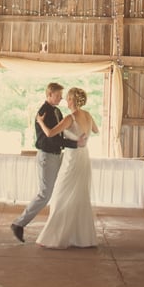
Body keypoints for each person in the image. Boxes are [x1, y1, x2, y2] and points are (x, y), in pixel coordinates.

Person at [35, 87, 99, 249]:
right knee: (79, 195)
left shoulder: (70, 118)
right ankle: (82, 238)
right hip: (84, 157)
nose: (65, 100)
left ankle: (54, 237)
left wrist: (40, 121)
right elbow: (96, 130)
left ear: (72, 100)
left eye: (67, 98)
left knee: (60, 195)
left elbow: (49, 134)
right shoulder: (88, 115)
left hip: (71, 159)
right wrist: (83, 134)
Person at [11, 82, 71, 243]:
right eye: (57, 95)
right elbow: (51, 138)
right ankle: (19, 223)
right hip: (47, 156)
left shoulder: (57, 111)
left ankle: (60, 226)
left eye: (61, 95)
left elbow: (60, 135)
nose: (61, 98)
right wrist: (73, 144)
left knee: (59, 191)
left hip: (56, 156)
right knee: (45, 194)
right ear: (49, 95)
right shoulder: (44, 111)